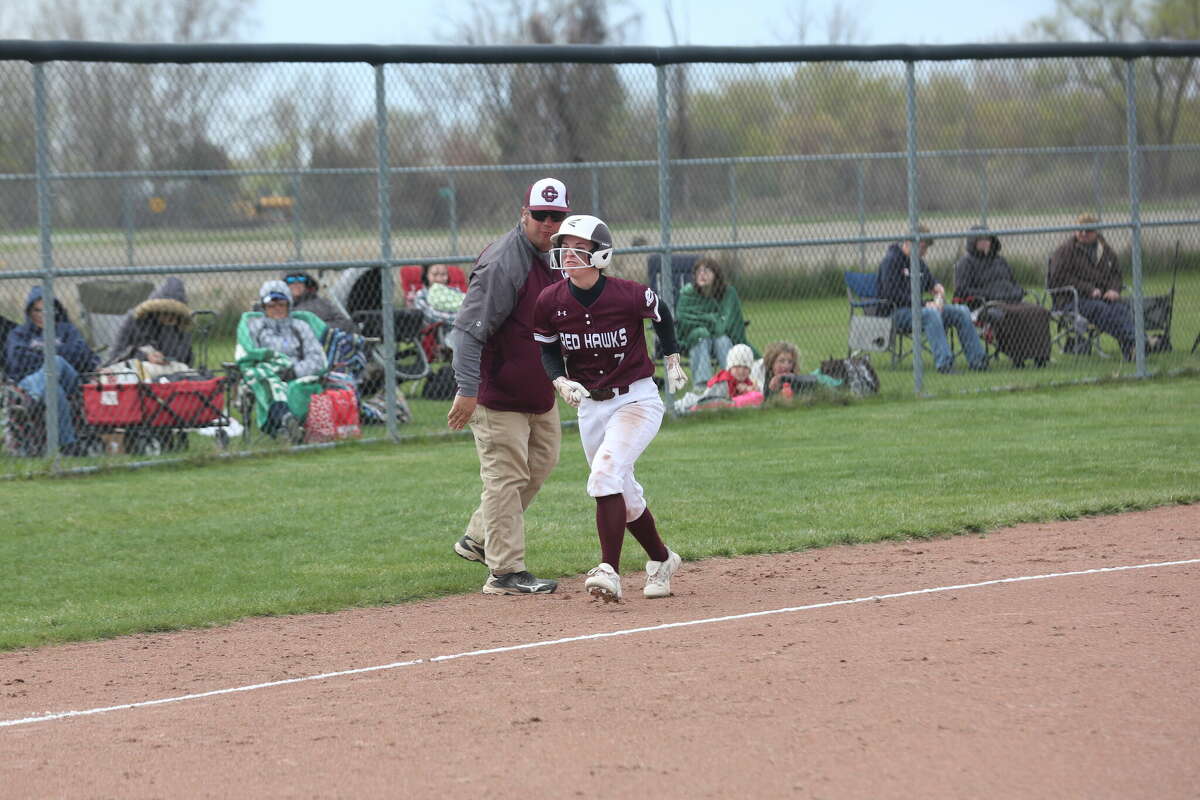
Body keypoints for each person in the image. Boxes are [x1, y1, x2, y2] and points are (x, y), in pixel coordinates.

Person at [533, 213, 689, 602]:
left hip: (635, 398)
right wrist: (559, 379)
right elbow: (548, 346)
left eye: (579, 249)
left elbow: (661, 314)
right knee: (623, 491)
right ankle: (661, 559)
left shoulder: (628, 293)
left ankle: (609, 570)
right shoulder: (550, 300)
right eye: (564, 248)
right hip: (591, 405)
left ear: (601, 255)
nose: (568, 255)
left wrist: (671, 358)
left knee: (604, 475)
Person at [447, 177, 572, 596]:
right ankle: (505, 572)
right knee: (505, 477)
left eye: (557, 216)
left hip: (538, 391)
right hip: (497, 393)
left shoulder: (560, 255)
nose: (549, 224)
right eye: (541, 216)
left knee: (539, 468)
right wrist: (467, 388)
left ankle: (479, 538)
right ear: (524, 215)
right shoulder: (505, 263)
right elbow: (468, 331)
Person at [1048, 213, 1160, 361]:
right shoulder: (1065, 251)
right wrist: (1088, 289)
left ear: (1097, 232)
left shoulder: (1105, 250)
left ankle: (1132, 351)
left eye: (1088, 231)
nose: (1083, 234)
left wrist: (1114, 289)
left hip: (1101, 299)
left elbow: (1116, 275)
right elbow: (1057, 279)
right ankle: (1141, 340)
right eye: (1079, 230)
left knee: (1120, 308)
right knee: (1101, 309)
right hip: (1071, 301)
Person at [876, 227, 988, 373]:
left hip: (917, 310)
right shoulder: (890, 261)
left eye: (926, 248)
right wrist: (923, 304)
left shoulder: (918, 262)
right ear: (908, 242)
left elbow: (930, 281)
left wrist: (937, 287)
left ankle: (978, 361)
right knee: (931, 314)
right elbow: (892, 295)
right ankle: (945, 364)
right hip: (894, 313)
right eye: (922, 247)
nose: (924, 252)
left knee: (961, 311)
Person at [5, 285, 100, 453]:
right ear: (29, 311)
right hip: (32, 379)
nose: (42, 315)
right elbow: (18, 360)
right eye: (37, 310)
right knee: (52, 389)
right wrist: (58, 353)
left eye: (47, 310)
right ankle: (69, 445)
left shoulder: (68, 330)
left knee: (56, 361)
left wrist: (42, 354)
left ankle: (37, 396)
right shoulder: (19, 334)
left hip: (67, 379)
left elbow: (81, 355)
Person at [238, 279, 327, 442]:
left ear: (289, 304)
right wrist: (275, 368)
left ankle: (283, 424)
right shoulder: (254, 327)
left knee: (280, 384)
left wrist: (294, 370)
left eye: (281, 304)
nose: (277, 309)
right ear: (264, 308)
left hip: (296, 372)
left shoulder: (300, 326)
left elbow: (316, 359)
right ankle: (286, 420)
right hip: (267, 372)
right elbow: (250, 356)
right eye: (271, 306)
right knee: (266, 380)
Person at [953, 226, 1050, 368]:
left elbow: (1013, 283)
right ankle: (1018, 356)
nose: (985, 243)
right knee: (1011, 315)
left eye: (988, 240)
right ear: (972, 242)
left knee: (1038, 311)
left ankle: (1040, 355)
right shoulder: (965, 263)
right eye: (981, 240)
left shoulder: (1000, 261)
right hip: (984, 305)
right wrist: (989, 295)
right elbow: (962, 291)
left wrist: (1017, 292)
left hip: (1010, 300)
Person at [674, 256, 751, 390]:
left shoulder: (727, 294)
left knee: (723, 340)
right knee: (701, 335)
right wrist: (712, 320)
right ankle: (703, 386)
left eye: (707, 271)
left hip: (718, 336)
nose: (702, 274)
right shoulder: (688, 293)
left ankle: (731, 382)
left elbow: (729, 319)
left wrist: (712, 323)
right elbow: (685, 318)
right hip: (694, 338)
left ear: (716, 275)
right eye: (699, 271)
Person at [105, 276, 196, 377]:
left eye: (174, 314)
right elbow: (117, 355)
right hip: (136, 371)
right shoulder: (135, 321)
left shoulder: (179, 326)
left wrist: (166, 358)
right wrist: (145, 356)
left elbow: (185, 359)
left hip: (170, 371)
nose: (170, 317)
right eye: (166, 313)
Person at [411, 263, 465, 355]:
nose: (439, 279)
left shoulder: (455, 291)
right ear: (426, 276)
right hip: (444, 331)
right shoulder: (422, 294)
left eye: (443, 274)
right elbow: (430, 315)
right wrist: (461, 317)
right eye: (435, 275)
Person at [283, 270, 357, 333]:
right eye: (291, 280)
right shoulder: (282, 305)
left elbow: (344, 323)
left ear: (306, 284)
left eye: (300, 280)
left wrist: (319, 328)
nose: (296, 284)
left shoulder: (323, 303)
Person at [705, 343, 763, 407]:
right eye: (737, 367)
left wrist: (748, 389)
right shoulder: (724, 382)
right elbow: (713, 402)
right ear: (730, 368)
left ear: (749, 370)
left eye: (745, 367)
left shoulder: (746, 380)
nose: (741, 371)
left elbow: (756, 394)